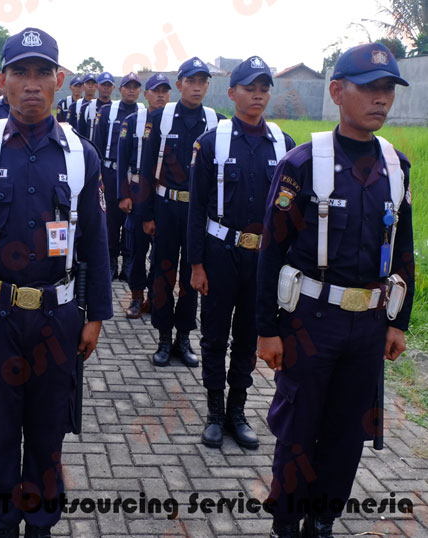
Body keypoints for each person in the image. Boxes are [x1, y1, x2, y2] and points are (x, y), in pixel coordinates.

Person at [0, 28, 112, 538]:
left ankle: (39, 525)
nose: (31, 84)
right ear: (2, 80)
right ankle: (0, 525)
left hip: (59, 317)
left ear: (59, 80)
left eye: (42, 73)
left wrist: (96, 315)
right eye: (20, 72)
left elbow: (97, 243)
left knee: (46, 430)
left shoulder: (83, 155)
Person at [256, 42, 413, 538]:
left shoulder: (396, 165)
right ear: (337, 92)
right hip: (309, 323)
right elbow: (272, 252)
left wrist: (398, 322)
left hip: (368, 324)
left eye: (388, 89)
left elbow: (403, 248)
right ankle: (287, 522)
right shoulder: (303, 164)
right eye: (369, 89)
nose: (380, 99)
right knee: (299, 429)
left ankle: (322, 519)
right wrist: (267, 331)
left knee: (349, 431)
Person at [187, 56, 296, 451]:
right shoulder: (211, 142)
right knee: (215, 336)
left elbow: (292, 214)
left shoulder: (284, 146)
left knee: (249, 336)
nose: (258, 95)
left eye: (264, 88)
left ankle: (238, 409)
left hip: (263, 259)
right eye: (250, 88)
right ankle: (215, 412)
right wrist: (196, 264)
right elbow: (196, 207)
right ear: (232, 93)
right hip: (220, 253)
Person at [138, 57, 224, 367]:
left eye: (203, 81)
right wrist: (147, 215)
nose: (197, 86)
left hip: (197, 213)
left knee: (192, 275)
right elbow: (148, 168)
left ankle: (183, 337)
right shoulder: (162, 118)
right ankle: (163, 337)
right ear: (180, 84)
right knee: (162, 273)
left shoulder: (217, 122)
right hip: (165, 206)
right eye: (191, 81)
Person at [117, 73, 171, 317]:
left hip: (164, 195)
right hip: (139, 192)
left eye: (164, 90)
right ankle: (136, 297)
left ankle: (154, 296)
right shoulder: (133, 120)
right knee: (138, 250)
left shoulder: (173, 120)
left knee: (161, 252)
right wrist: (123, 195)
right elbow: (122, 160)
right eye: (155, 90)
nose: (160, 95)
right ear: (146, 94)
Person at [95, 72, 143, 280]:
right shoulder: (108, 112)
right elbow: (97, 145)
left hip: (135, 176)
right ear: (120, 89)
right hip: (111, 173)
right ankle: (112, 262)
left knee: (132, 223)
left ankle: (128, 266)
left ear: (140, 91)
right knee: (112, 222)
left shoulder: (144, 113)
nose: (131, 90)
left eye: (135, 86)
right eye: (128, 86)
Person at [80, 71, 112, 139]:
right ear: (97, 86)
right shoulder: (86, 108)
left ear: (113, 87)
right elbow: (80, 134)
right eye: (103, 84)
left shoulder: (115, 109)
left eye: (109, 85)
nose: (106, 87)